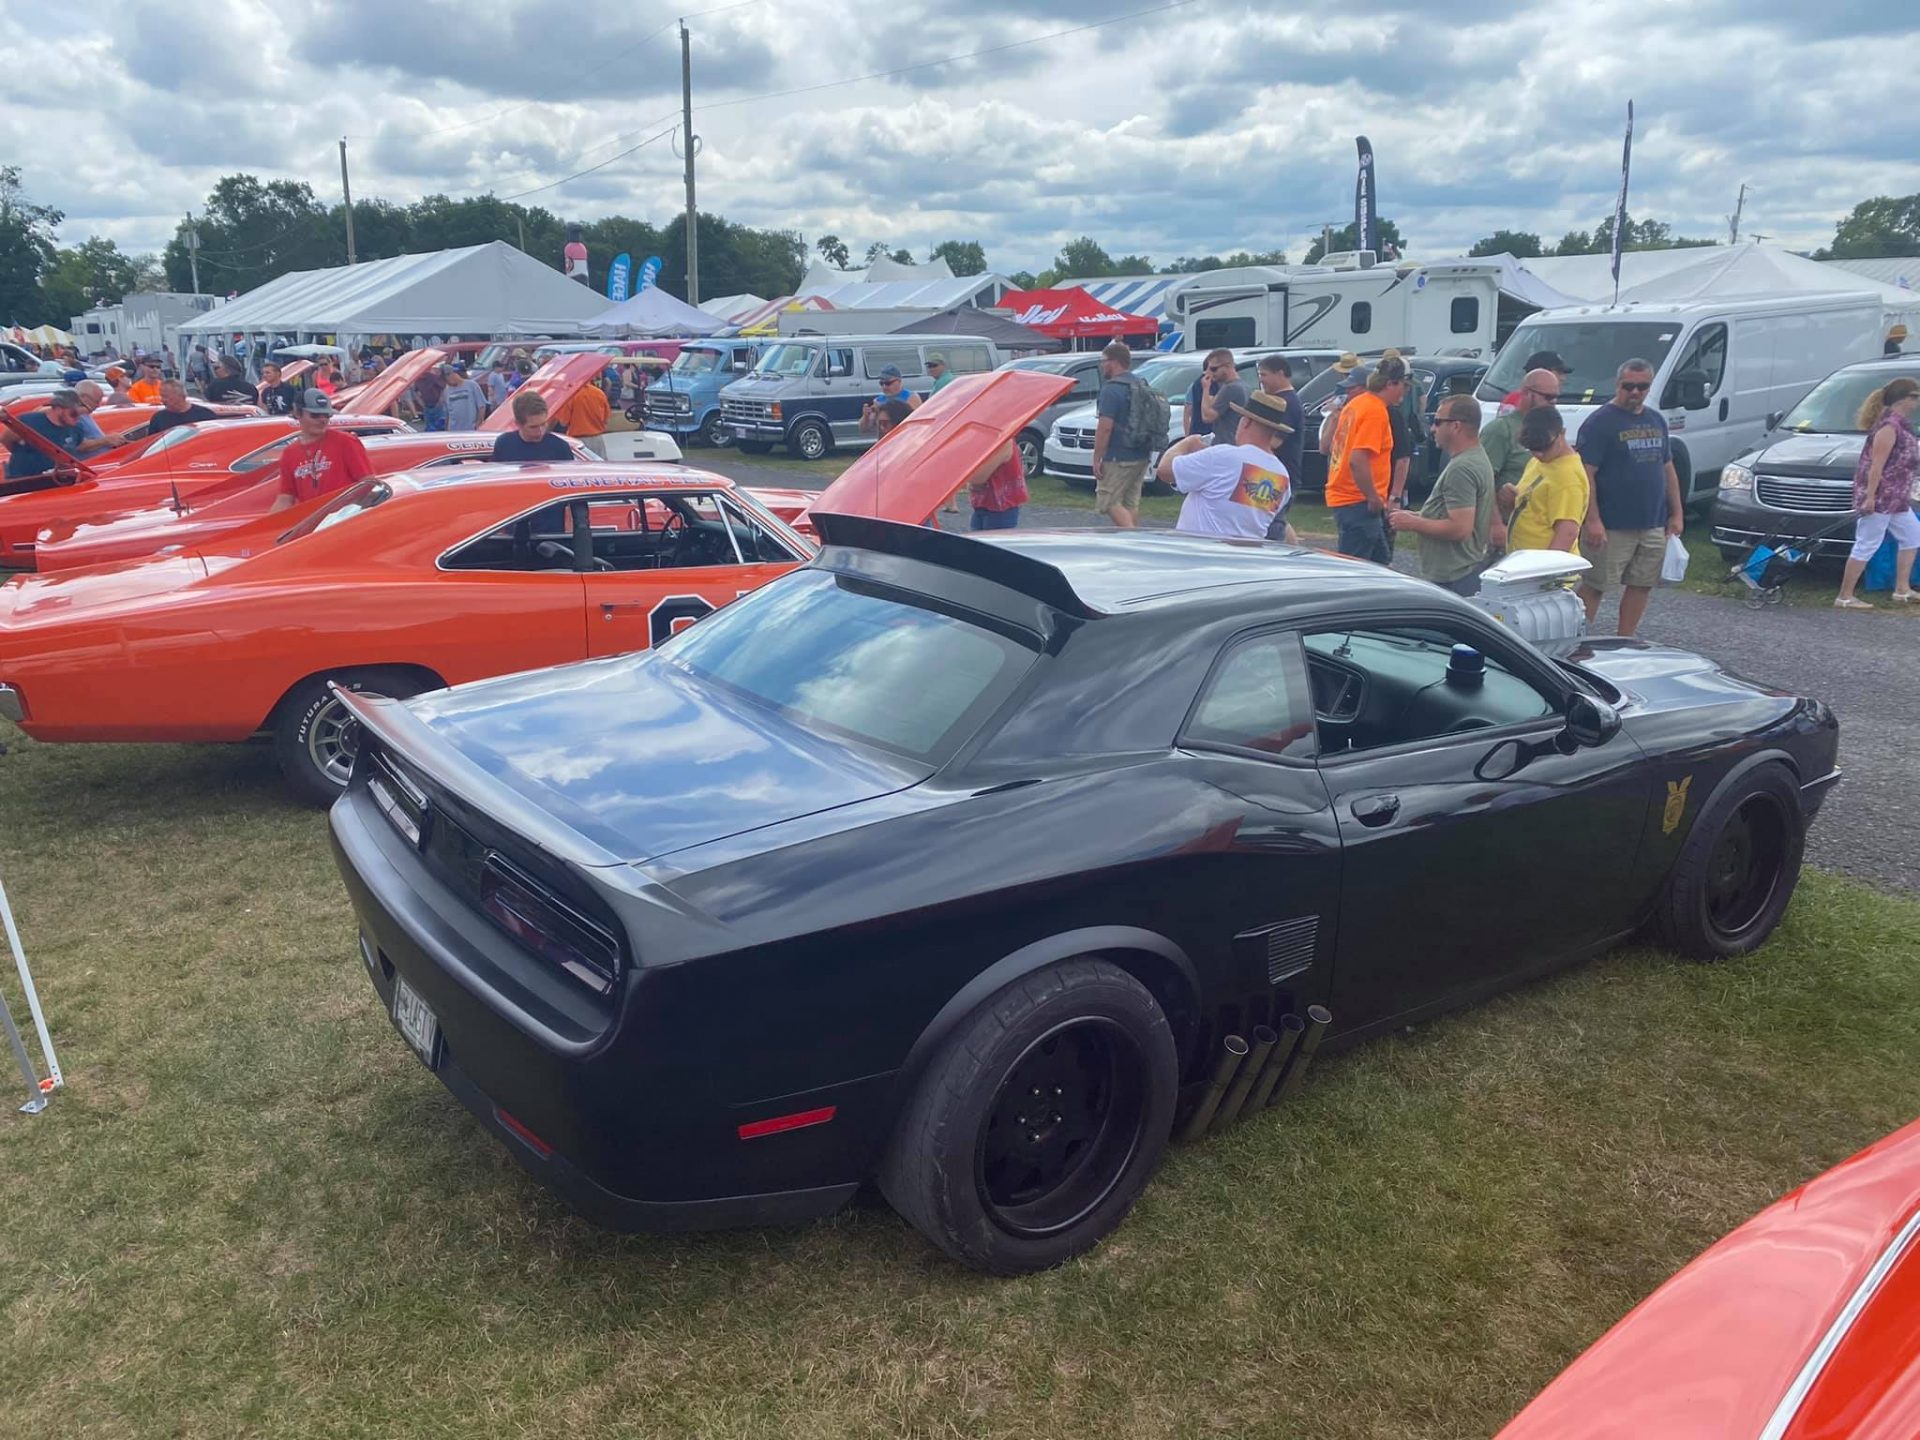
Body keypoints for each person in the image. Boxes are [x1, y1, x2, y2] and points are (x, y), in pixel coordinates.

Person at [1574, 359, 1685, 636]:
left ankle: (1625, 640)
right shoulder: (1600, 422)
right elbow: (1586, 475)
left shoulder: (1656, 419)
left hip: (1651, 522)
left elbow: (1667, 468)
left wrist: (1677, 513)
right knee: (1596, 584)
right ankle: (1574, 640)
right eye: (1629, 386)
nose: (1635, 392)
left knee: (1641, 584)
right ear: (1617, 384)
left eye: (1643, 386)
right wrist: (1593, 520)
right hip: (1612, 524)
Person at [1389, 395, 1496, 595]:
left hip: (1455, 578)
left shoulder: (1462, 468)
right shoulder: (1472, 459)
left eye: (1438, 422)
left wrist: (1413, 524)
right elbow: (1451, 514)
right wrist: (1418, 516)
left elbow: (1460, 528)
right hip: (1459, 574)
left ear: (1456, 426)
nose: (1432, 429)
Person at [1154, 388, 1294, 540]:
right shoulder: (1282, 476)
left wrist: (1187, 443)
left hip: (1200, 552)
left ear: (1246, 422)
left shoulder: (1224, 456)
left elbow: (1165, 470)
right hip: (1245, 557)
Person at [1835, 377, 1920, 608]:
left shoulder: (1903, 426)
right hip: (1881, 497)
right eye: (1915, 397)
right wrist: (1870, 497)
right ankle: (1845, 596)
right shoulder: (1889, 427)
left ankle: (1902, 589)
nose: (1917, 402)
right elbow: (1876, 465)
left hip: (1898, 498)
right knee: (1867, 543)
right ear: (1904, 399)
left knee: (1913, 535)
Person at [1324, 361, 1400, 564]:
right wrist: (1373, 497)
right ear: (1391, 384)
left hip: (1346, 498)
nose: (1406, 391)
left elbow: (1333, 448)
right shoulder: (1375, 411)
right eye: (1405, 385)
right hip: (1358, 502)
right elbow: (1357, 459)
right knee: (1355, 575)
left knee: (1380, 566)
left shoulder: (1356, 405)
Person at [1501, 406, 1588, 555]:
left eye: (1545, 447)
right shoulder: (1540, 462)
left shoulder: (1568, 478)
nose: (1539, 454)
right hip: (1523, 565)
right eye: (1532, 448)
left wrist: (1545, 573)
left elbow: (1567, 533)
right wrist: (1510, 500)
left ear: (1562, 433)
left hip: (1545, 573)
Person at [269, 391, 375, 512]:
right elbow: (285, 499)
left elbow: (368, 484)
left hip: (343, 519)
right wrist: (265, 526)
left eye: (326, 415)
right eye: (315, 415)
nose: (322, 420)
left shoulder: (346, 442)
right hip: (313, 524)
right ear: (297, 413)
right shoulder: (290, 453)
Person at [1091, 342, 1153, 528]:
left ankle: (1133, 539)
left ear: (1114, 362)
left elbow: (1105, 427)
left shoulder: (1111, 389)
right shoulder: (1140, 384)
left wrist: (1097, 458)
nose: (1102, 365)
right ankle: (1130, 543)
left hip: (1118, 456)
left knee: (1109, 502)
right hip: (1141, 453)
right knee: (1130, 502)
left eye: (1103, 361)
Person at [1254, 354, 1305, 541]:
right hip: (1276, 473)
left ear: (1281, 373)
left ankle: (1285, 555)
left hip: (1280, 474)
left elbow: (1274, 441)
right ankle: (1295, 552)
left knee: (1272, 522)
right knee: (1277, 519)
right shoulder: (1282, 400)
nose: (1261, 379)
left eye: (1264, 374)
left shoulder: (1286, 403)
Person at [1, 388, 87, 492]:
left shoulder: (77, 428)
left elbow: (75, 448)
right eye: (74, 413)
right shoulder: (29, 422)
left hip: (57, 483)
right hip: (23, 481)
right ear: (58, 409)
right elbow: (7, 440)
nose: (78, 418)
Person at [490, 390, 576, 462]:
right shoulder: (504, 445)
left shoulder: (560, 447)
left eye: (543, 424)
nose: (540, 431)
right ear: (518, 424)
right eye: (533, 427)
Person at [1185, 348, 1247, 446]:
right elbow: (1213, 404)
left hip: (1226, 444)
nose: (1210, 373)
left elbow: (1207, 416)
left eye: (1214, 369)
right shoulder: (1238, 385)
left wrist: (1206, 389)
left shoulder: (1231, 388)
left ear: (1228, 366)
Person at [966, 442, 1028, 530]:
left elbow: (976, 478)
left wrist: (971, 481)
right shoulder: (989, 442)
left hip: (1000, 510)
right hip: (982, 505)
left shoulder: (1004, 443)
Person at [553, 373, 611, 456]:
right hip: (597, 440)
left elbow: (563, 422)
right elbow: (606, 419)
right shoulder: (600, 393)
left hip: (578, 442)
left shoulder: (571, 396)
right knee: (599, 467)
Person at [860, 366, 920, 440]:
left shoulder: (911, 397)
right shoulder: (878, 400)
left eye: (888, 383)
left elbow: (915, 424)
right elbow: (864, 429)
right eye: (881, 383)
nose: (884, 387)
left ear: (899, 381)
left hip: (905, 440)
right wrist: (866, 416)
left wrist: (885, 410)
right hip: (885, 443)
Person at [1501, 349, 1572, 411]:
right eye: (1559, 372)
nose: (1563, 378)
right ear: (1541, 372)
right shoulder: (1516, 401)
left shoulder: (1551, 400)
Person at [146, 379, 218, 436]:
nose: (162, 400)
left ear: (180, 396)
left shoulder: (205, 415)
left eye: (165, 396)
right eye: (161, 396)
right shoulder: (158, 418)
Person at [69, 381, 118, 456]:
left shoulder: (85, 414)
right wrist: (105, 440)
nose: (98, 405)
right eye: (96, 401)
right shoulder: (73, 415)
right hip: (92, 464)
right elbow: (78, 445)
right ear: (83, 397)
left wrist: (110, 440)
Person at [444, 364, 487, 431]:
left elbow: (481, 406)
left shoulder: (472, 385)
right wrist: (447, 428)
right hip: (454, 429)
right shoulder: (447, 390)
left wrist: (478, 423)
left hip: (470, 428)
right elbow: (448, 412)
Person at [413, 364, 448, 431]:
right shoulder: (417, 380)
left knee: (440, 426)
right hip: (426, 406)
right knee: (429, 428)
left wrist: (440, 400)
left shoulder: (433, 377)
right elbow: (416, 391)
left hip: (437, 405)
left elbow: (443, 388)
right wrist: (421, 403)